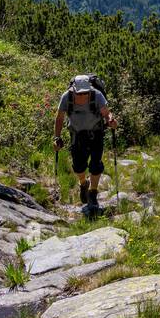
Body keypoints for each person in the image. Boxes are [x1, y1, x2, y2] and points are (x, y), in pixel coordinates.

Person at [54, 75, 117, 217]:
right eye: (80, 93)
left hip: (96, 133)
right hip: (77, 135)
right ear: (74, 90)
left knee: (96, 164)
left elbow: (106, 113)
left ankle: (93, 192)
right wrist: (57, 137)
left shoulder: (97, 95)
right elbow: (59, 118)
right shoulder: (66, 97)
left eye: (85, 92)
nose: (83, 95)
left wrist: (110, 121)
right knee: (78, 166)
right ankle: (83, 184)